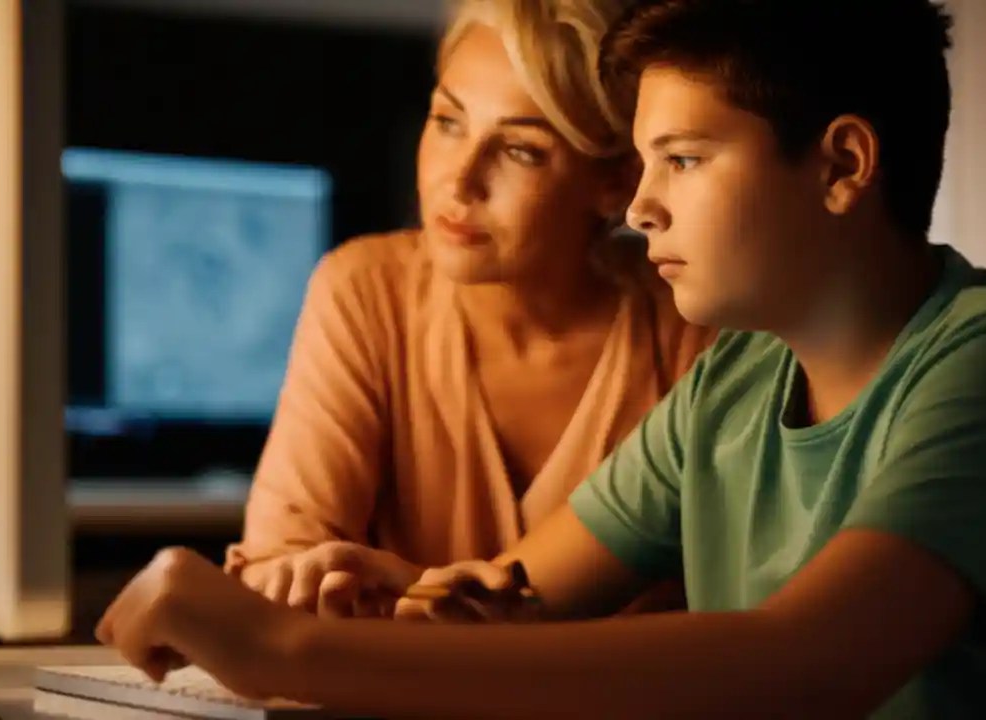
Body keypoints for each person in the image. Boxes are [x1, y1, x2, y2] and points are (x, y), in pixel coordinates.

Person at [96, 1, 986, 717]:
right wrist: (402, 593)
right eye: (645, 163)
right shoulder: (733, 381)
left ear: (841, 165)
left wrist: (286, 648)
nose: (642, 205)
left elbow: (810, 663)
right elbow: (513, 601)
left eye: (683, 160)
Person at [225, 0, 713, 617]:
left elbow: (723, 618)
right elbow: (281, 569)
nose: (458, 181)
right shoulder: (369, 291)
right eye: (448, 121)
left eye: (520, 150)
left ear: (617, 182)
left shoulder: (696, 327)